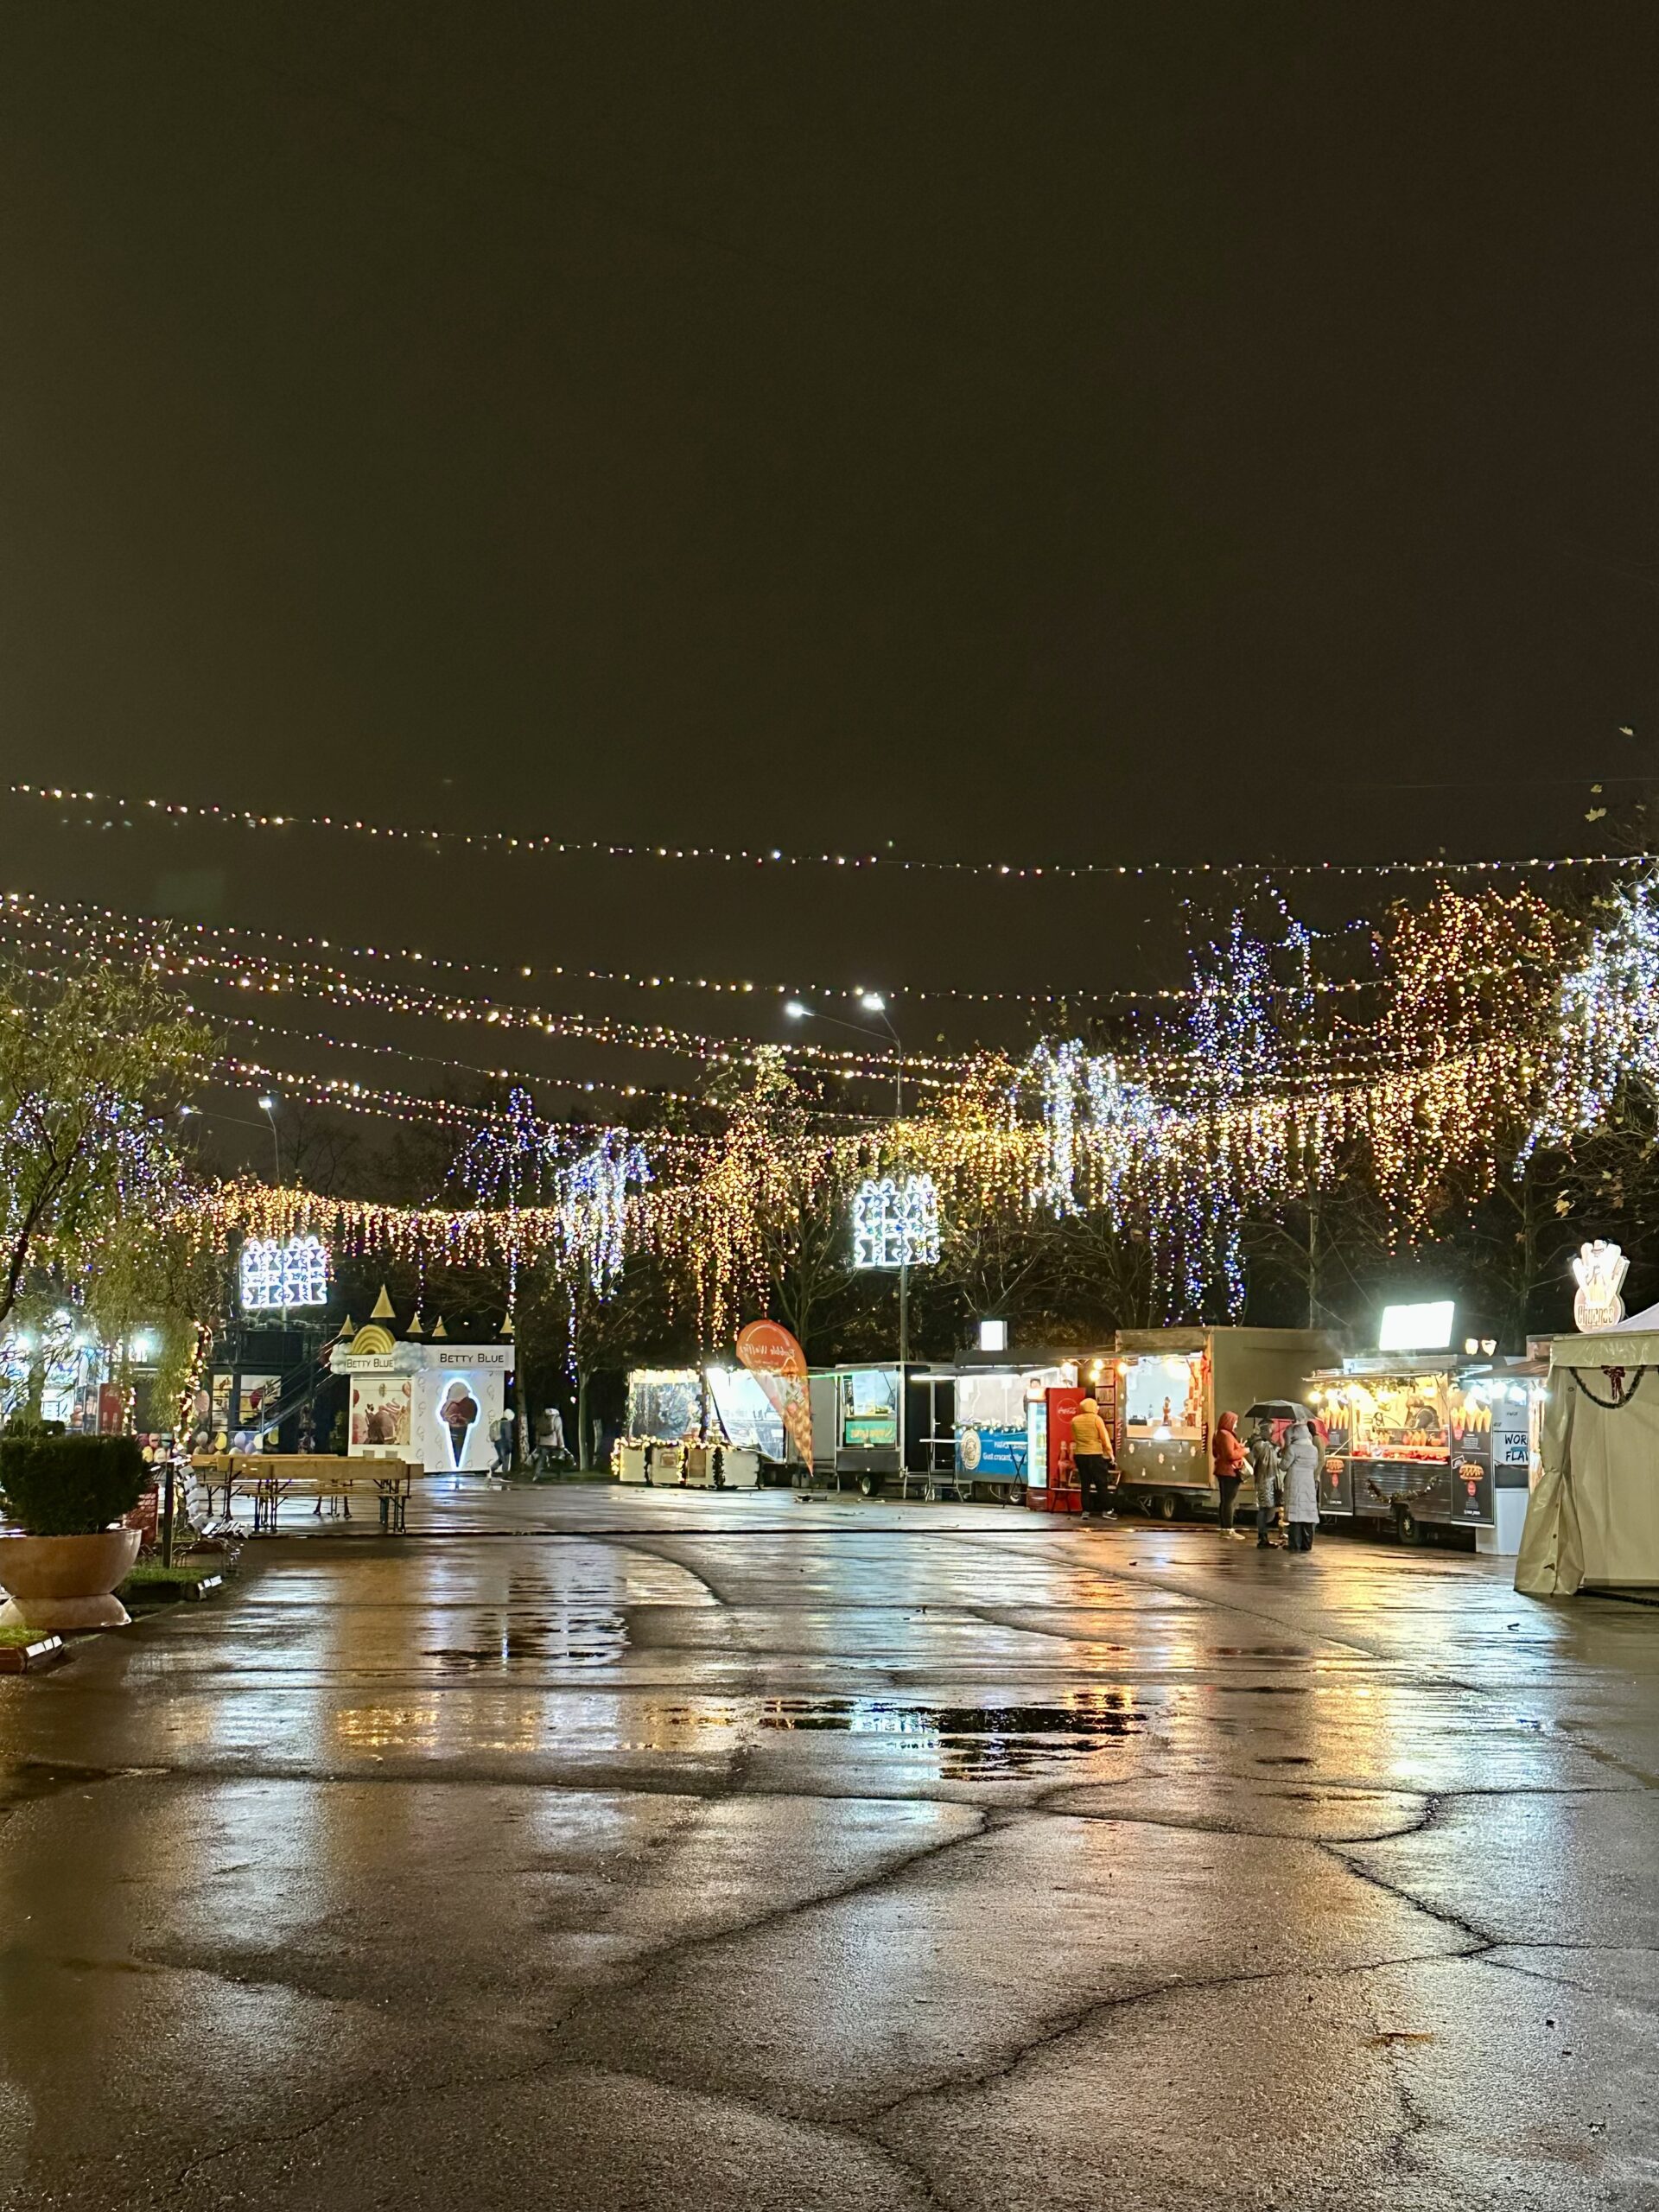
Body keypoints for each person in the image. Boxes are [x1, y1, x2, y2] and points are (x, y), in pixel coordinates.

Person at [1071, 1395, 1117, 1522]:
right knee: (1101, 1483)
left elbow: (1074, 1437)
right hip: (1095, 1455)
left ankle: (1086, 1511)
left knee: (1085, 1484)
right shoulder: (1097, 1419)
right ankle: (1107, 1510)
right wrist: (1110, 1453)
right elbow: (1104, 1438)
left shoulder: (1074, 1420)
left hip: (1080, 1455)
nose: (1098, 1408)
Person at [1281, 1416, 1321, 1552]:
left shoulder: (1293, 1448)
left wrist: (1285, 1446)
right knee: (1307, 1513)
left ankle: (1295, 1545)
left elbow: (1283, 1466)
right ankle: (1307, 1544)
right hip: (1308, 1481)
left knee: (1296, 1515)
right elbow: (1315, 1465)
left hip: (1295, 1482)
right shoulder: (1314, 1449)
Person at [1211, 1410, 1248, 1539]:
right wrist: (1244, 1450)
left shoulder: (1218, 1433)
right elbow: (1230, 1455)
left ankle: (1224, 1529)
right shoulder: (1226, 1435)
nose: (1236, 1425)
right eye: (1235, 1422)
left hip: (1221, 1471)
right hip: (1229, 1472)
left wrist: (1238, 1447)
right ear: (1229, 1421)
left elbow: (1217, 1452)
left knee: (1224, 1501)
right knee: (1229, 1502)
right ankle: (1228, 1530)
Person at [1249, 1415, 1282, 1548]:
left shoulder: (1266, 1444)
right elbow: (1264, 1457)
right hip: (1265, 1479)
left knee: (1268, 1508)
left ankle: (1264, 1537)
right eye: (1271, 1429)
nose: (1272, 1431)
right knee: (1264, 1508)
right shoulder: (1259, 1444)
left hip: (1270, 1479)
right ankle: (1262, 1538)